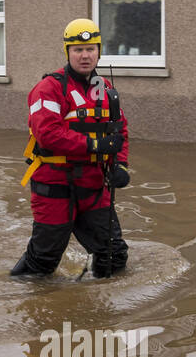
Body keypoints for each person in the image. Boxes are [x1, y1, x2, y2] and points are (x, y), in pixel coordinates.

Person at [10, 19, 129, 277]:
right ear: (68, 52)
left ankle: (102, 309)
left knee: (114, 255)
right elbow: (48, 135)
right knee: (44, 259)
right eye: (78, 50)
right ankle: (17, 299)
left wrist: (120, 163)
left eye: (90, 49)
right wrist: (95, 145)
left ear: (99, 51)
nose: (85, 55)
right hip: (55, 184)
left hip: (94, 184)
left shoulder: (106, 89)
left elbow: (120, 131)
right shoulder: (49, 88)